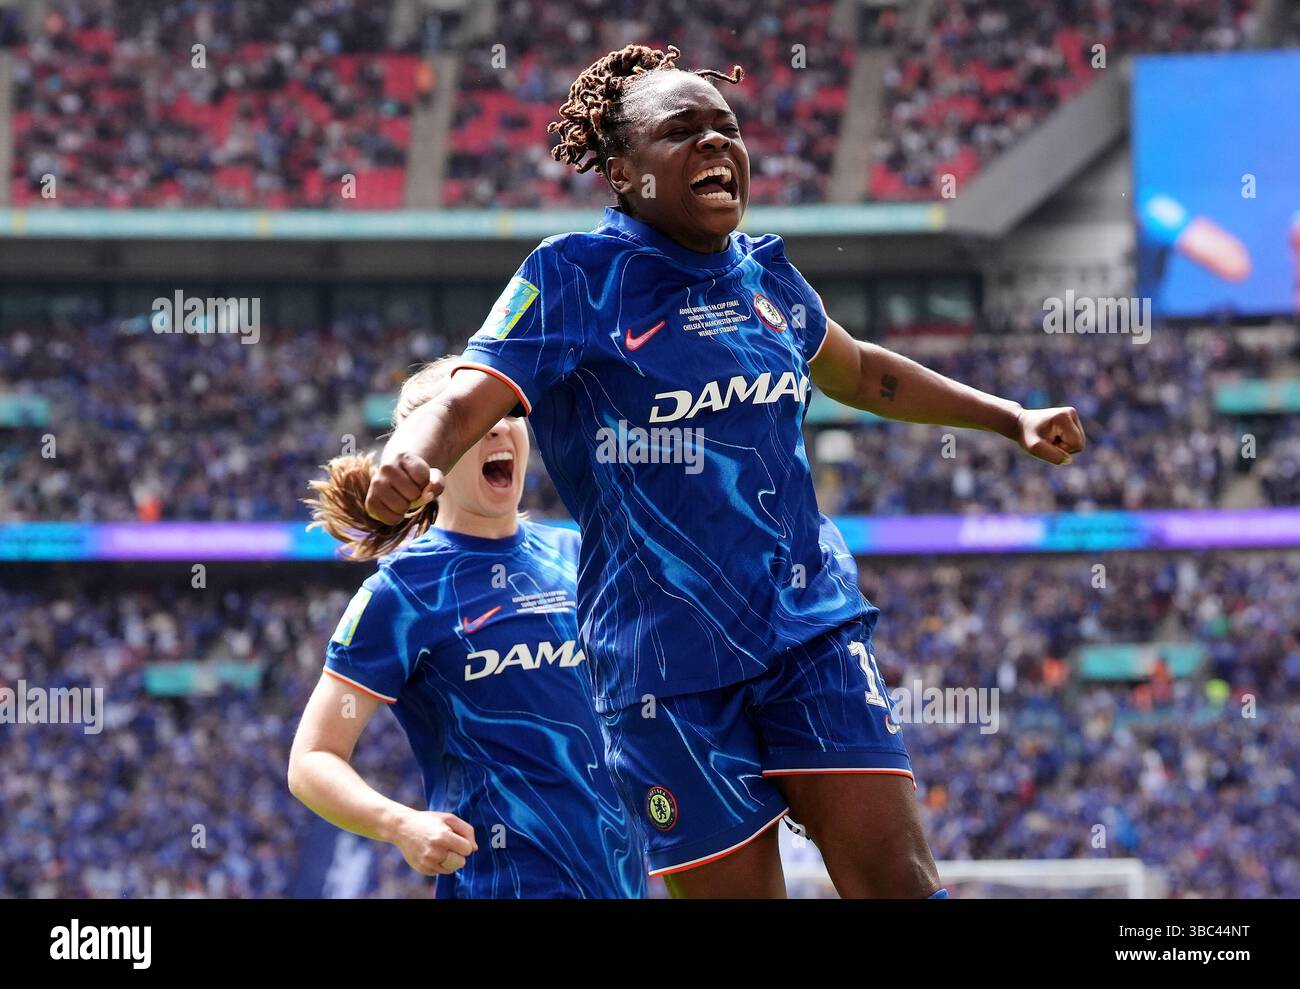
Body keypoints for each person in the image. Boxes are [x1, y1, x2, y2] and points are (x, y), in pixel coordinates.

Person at [361, 45, 1086, 898]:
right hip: (661, 665)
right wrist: (413, 448)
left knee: (902, 883)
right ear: (625, 174)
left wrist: (1011, 416)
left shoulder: (767, 274)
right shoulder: (572, 278)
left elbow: (860, 372)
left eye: (726, 128)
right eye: (682, 131)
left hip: (806, 627)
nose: (715, 143)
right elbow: (470, 394)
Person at [288, 357, 646, 899]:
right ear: (432, 453)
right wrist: (400, 825)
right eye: (476, 421)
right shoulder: (405, 591)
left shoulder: (579, 553)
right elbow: (311, 760)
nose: (499, 427)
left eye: (508, 413)